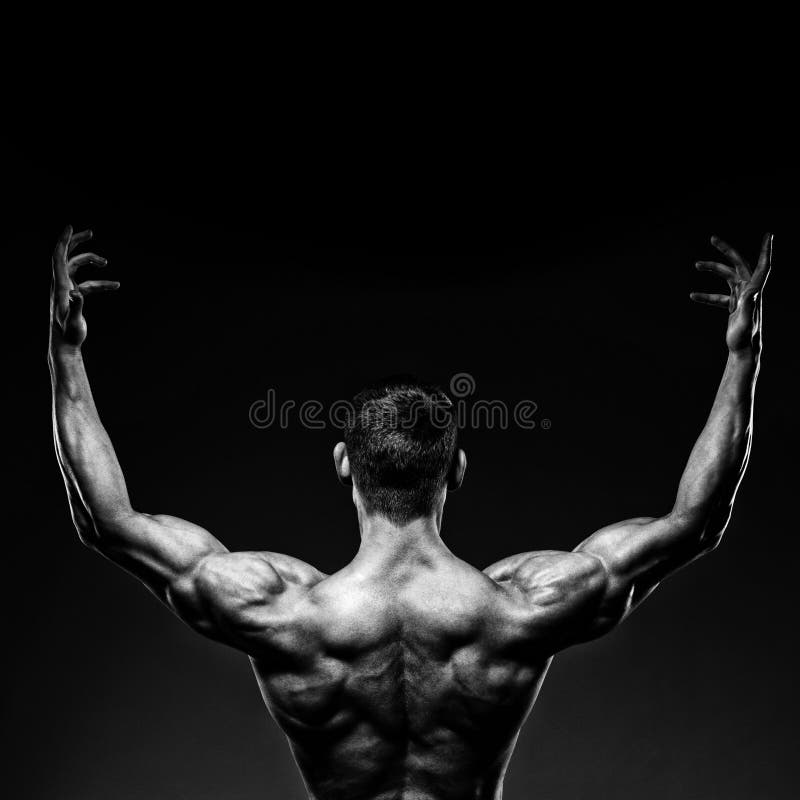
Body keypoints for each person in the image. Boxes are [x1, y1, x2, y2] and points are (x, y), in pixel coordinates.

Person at [49, 226, 772, 800]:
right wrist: (743, 357)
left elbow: (105, 520)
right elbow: (696, 522)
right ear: (455, 470)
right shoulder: (521, 608)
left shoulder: (280, 612)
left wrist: (67, 351)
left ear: (343, 464)